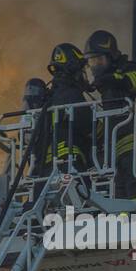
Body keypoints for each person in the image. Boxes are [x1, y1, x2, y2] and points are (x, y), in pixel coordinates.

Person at [83, 30, 136, 198]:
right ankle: (127, 222)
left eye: (99, 59)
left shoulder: (128, 68)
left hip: (134, 143)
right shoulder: (103, 89)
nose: (95, 65)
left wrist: (114, 79)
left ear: (111, 57)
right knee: (119, 194)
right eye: (92, 61)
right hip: (115, 150)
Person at [45, 43, 92, 173]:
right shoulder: (70, 93)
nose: (83, 75)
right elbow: (88, 124)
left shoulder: (51, 95)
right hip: (70, 160)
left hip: (46, 165)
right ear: (73, 69)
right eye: (81, 70)